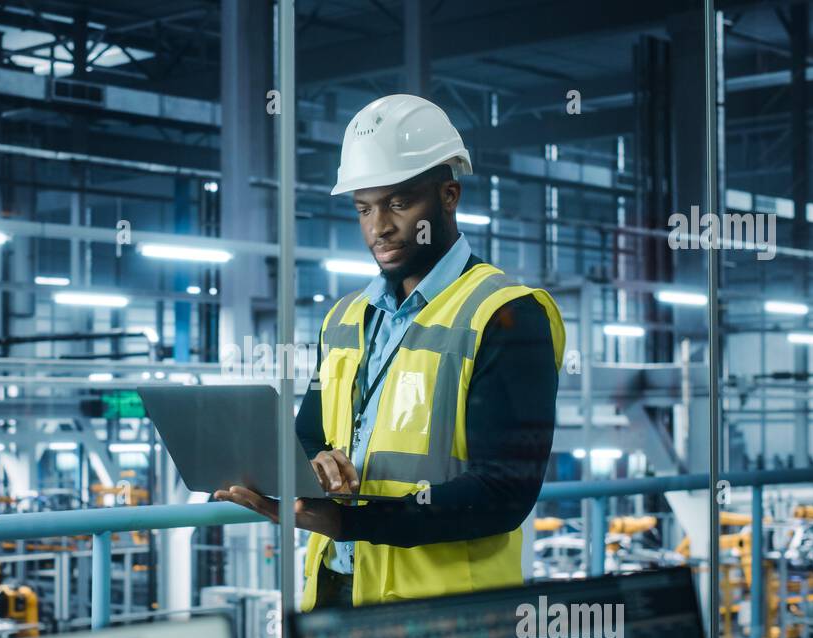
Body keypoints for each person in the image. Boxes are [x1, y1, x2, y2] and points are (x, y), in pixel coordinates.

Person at [215, 94, 565, 610]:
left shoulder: (507, 316)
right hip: (337, 592)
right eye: (364, 208)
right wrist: (316, 465)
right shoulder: (345, 319)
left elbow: (502, 494)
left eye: (399, 203)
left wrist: (346, 520)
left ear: (449, 195)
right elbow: (310, 430)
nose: (379, 226)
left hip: (445, 615)